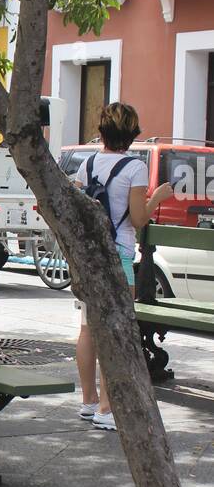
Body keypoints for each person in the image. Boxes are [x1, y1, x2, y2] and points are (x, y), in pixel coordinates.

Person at [73, 103, 173, 430]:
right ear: (132, 135)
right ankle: (106, 408)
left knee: (89, 328)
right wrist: (157, 197)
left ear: (101, 132)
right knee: (116, 333)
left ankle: (88, 401)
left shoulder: (86, 164)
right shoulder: (134, 168)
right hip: (119, 257)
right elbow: (139, 218)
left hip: (90, 257)